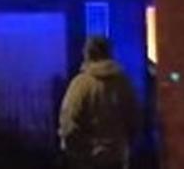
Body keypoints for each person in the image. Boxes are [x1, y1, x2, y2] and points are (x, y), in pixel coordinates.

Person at [59, 36, 140, 169]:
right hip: (117, 157)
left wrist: (74, 151)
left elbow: (69, 124)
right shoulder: (123, 83)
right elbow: (134, 120)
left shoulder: (80, 84)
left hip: (88, 159)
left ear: (88, 54)